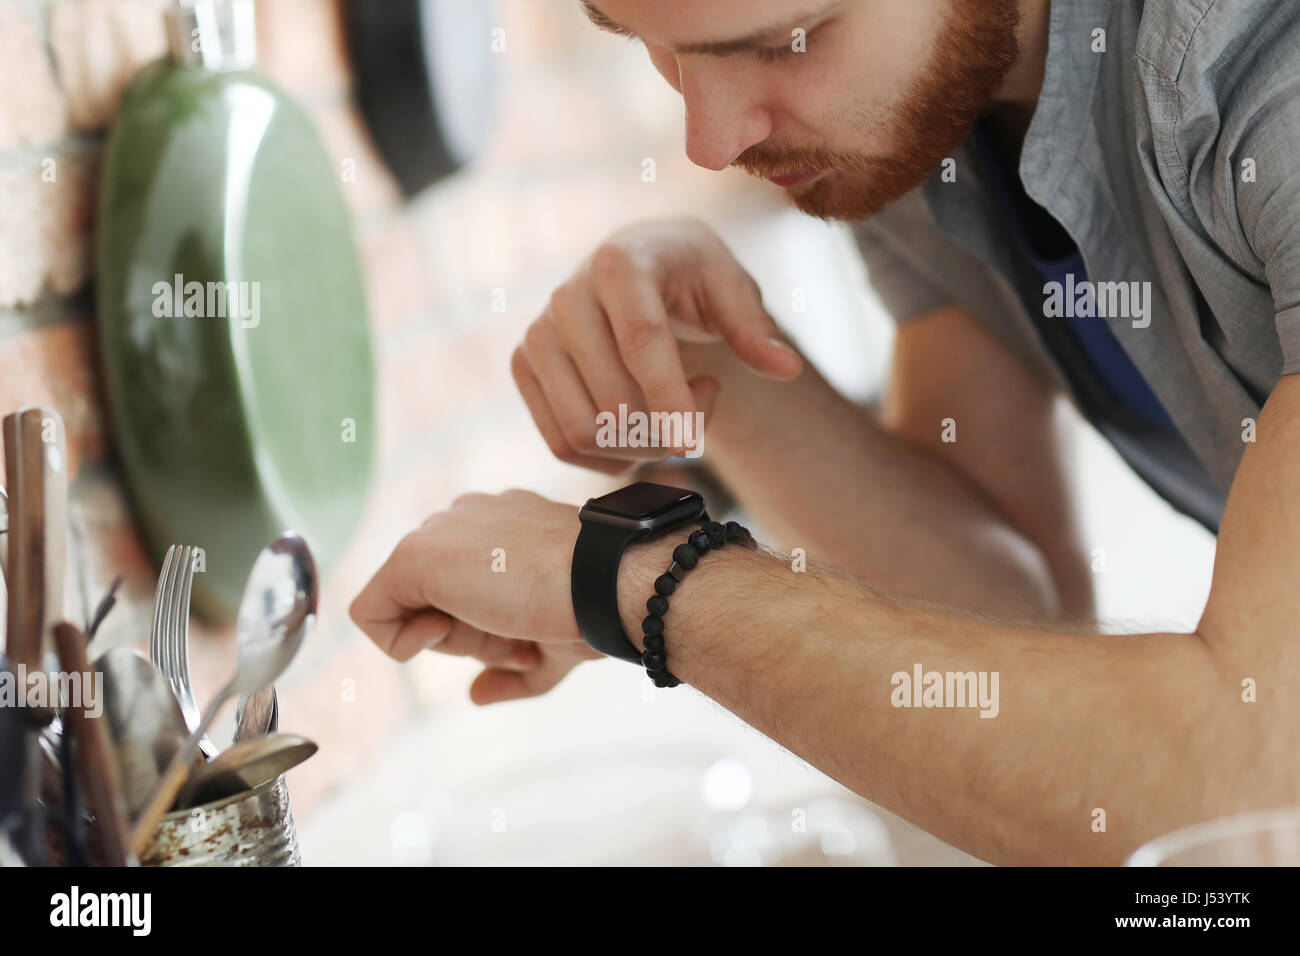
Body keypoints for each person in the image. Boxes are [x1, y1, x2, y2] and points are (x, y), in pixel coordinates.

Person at [350, 0, 1300, 864]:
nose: (711, 143)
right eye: (648, 45)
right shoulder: (924, 118)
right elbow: (1008, 611)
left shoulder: (1261, 64)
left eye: (781, 43)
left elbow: (1250, 783)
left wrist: (643, 582)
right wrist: (711, 370)